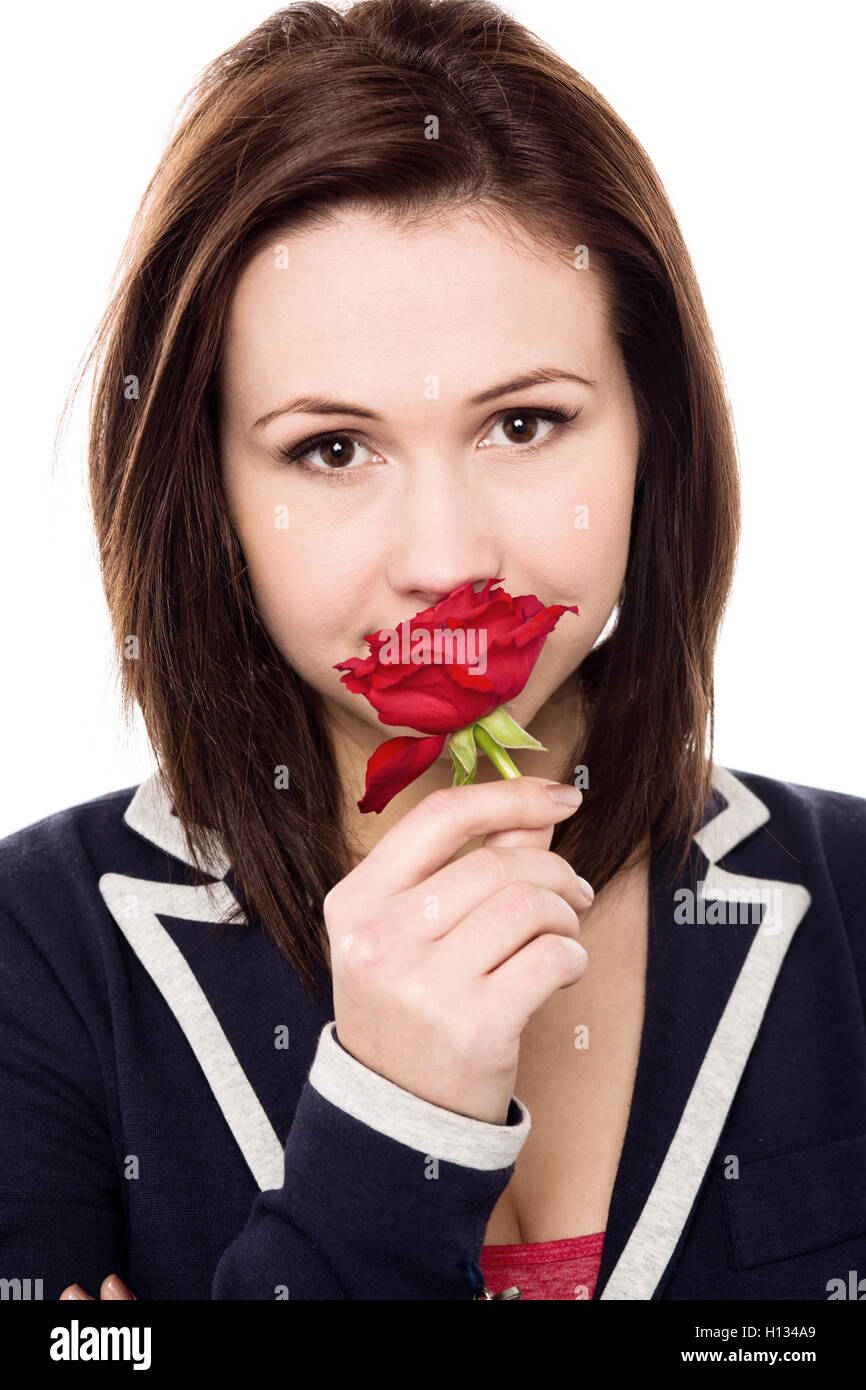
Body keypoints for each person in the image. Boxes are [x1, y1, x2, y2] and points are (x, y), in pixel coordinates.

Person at [1, 0, 864, 1304]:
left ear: (651, 436)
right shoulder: (36, 955)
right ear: (210, 494)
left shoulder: (851, 901)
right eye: (331, 449)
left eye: (523, 422)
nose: (447, 556)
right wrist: (394, 1116)